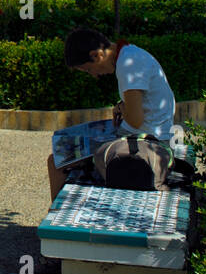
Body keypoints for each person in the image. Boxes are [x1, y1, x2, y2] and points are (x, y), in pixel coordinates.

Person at [49, 28, 178, 200]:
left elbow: (135, 120)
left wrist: (125, 109)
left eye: (88, 70)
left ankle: (56, 218)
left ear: (96, 55)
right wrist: (123, 106)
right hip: (151, 134)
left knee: (56, 161)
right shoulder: (130, 54)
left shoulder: (128, 65)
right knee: (63, 144)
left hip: (148, 142)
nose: (94, 75)